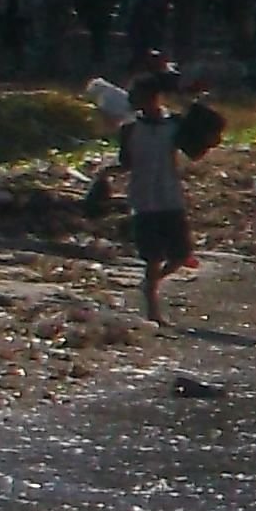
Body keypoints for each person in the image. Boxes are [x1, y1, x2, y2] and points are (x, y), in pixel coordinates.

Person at [91, 65, 201, 323]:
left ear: (154, 96)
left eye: (138, 94)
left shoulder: (174, 124)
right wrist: (106, 173)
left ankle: (150, 285)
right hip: (143, 199)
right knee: (153, 257)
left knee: (180, 255)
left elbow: (197, 146)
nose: (134, 99)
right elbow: (127, 162)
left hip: (170, 196)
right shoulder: (129, 129)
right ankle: (153, 308)